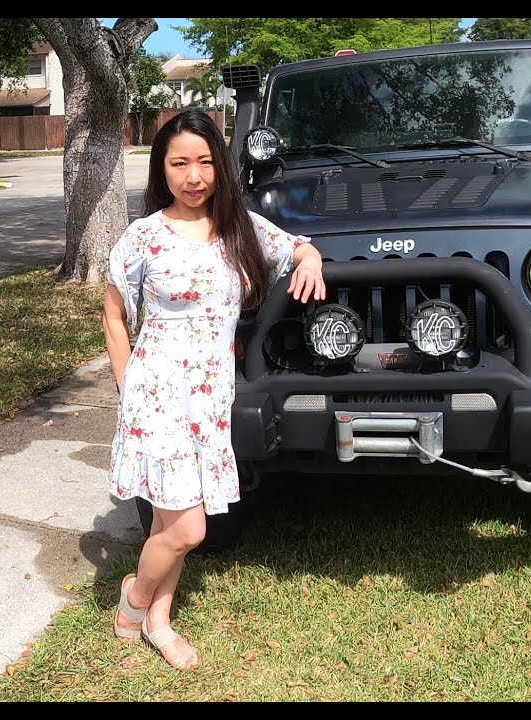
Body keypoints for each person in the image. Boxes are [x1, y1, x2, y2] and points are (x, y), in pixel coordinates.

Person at [102, 109, 326, 671]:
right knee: (189, 528)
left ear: (221, 168)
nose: (193, 175)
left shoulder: (239, 229)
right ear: (163, 169)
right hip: (155, 396)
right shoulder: (143, 237)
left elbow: (295, 246)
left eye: (205, 162)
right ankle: (132, 602)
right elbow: (113, 318)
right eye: (180, 163)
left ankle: (158, 619)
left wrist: (313, 258)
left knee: (168, 522)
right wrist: (128, 387)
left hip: (207, 401)